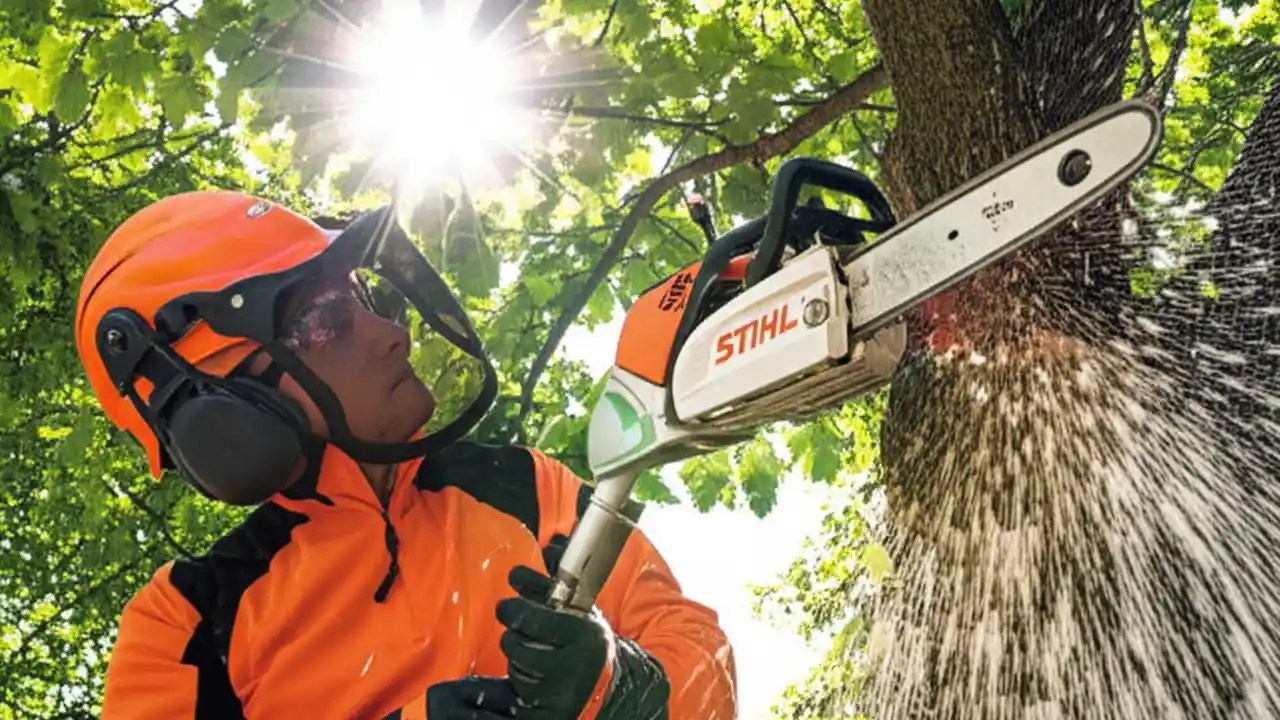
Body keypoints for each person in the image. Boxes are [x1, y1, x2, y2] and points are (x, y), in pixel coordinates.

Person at [74, 190, 738, 719]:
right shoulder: (185, 622)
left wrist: (627, 690)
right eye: (325, 319)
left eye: (365, 299)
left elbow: (701, 657)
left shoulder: (524, 486)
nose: (392, 333)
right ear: (222, 419)